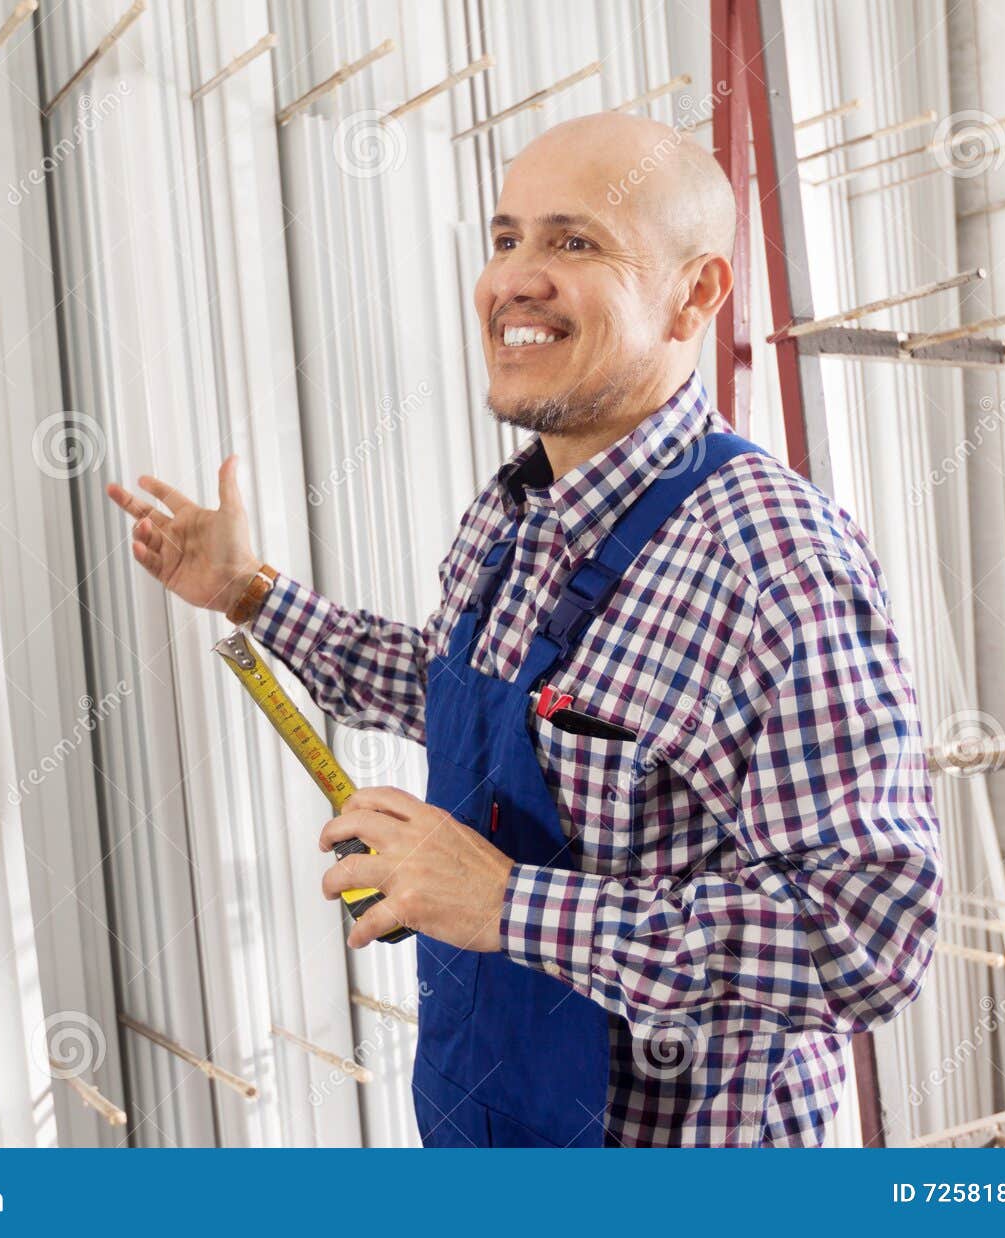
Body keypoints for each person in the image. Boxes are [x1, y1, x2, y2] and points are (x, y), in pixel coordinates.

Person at [107, 111, 941, 1147]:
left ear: (696, 293)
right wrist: (251, 593)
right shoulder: (511, 516)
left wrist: (508, 902)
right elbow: (450, 691)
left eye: (573, 241)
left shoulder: (771, 562)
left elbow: (869, 933)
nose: (514, 279)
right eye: (506, 239)